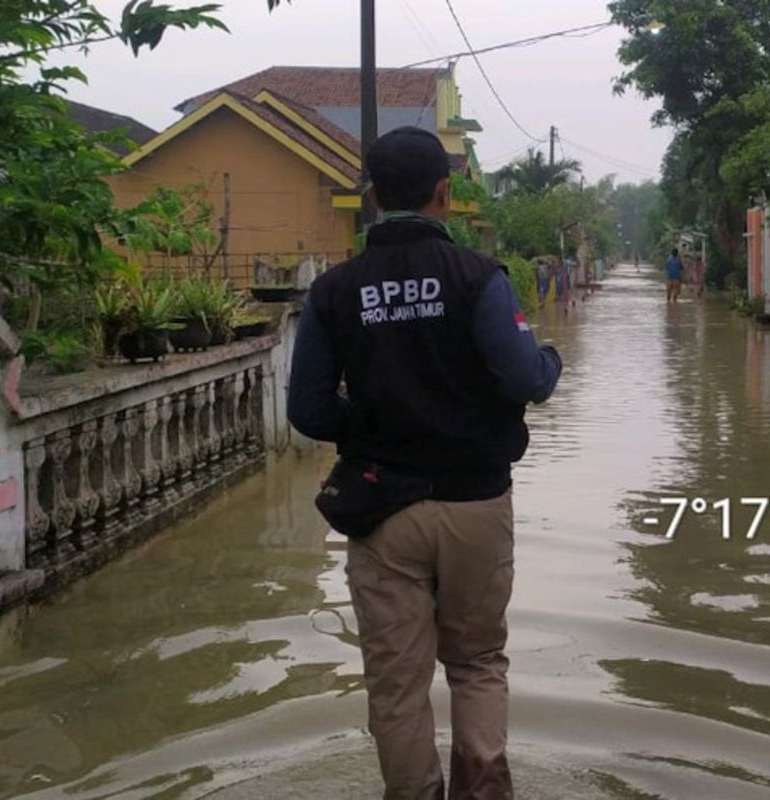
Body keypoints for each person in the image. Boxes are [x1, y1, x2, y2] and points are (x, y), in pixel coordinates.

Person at [287, 126, 563, 800]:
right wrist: (549, 360)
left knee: (396, 685)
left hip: (381, 512)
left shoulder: (334, 292)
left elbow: (309, 411)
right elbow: (526, 377)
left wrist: (376, 422)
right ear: (445, 192)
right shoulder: (479, 279)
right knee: (476, 664)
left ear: (373, 196)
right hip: (476, 506)